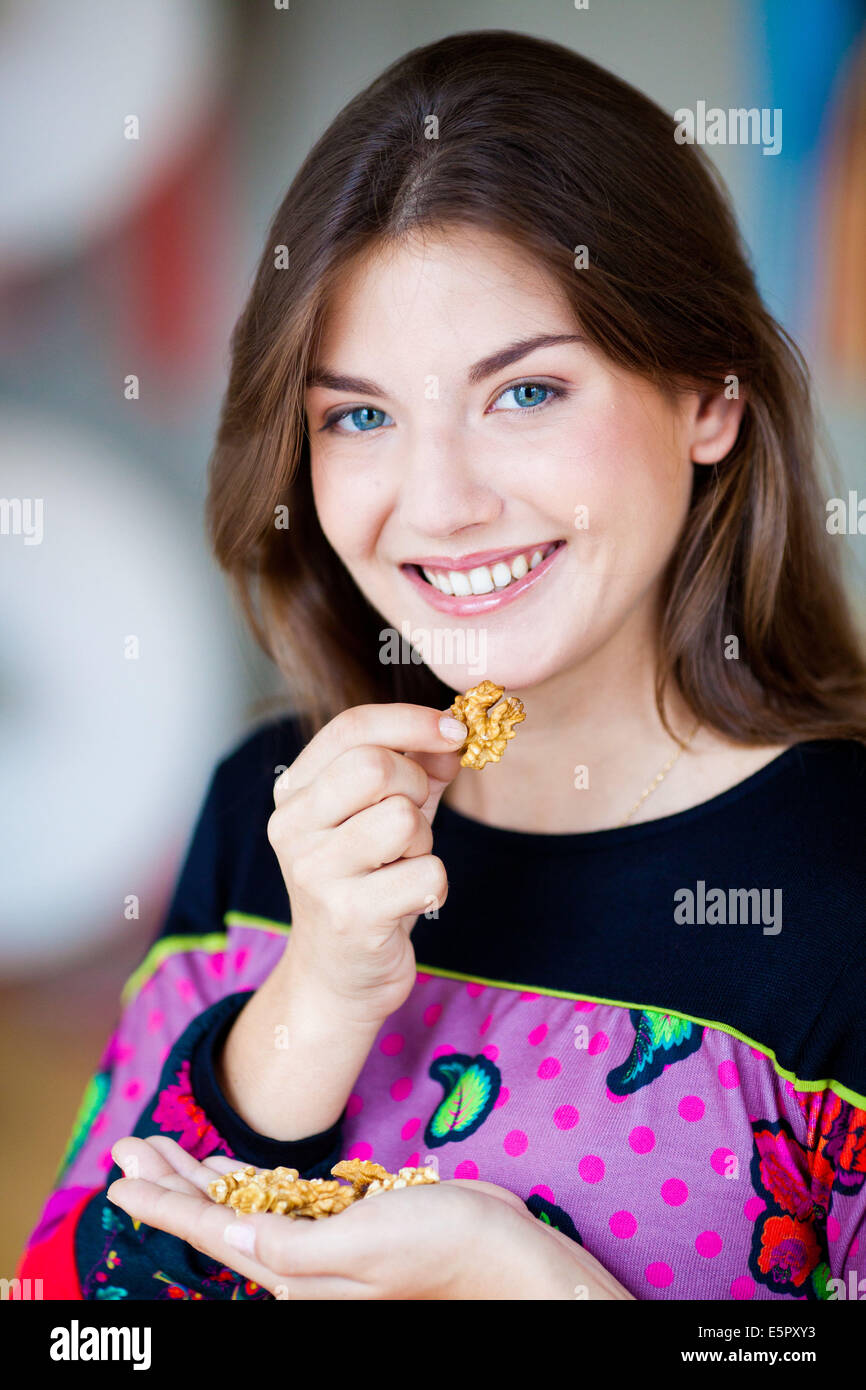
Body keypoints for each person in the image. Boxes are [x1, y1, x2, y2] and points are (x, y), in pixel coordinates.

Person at [19, 30, 866, 1301]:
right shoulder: (271, 816)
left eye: (523, 393)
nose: (440, 502)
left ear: (708, 395)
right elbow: (72, 1328)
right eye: (358, 416)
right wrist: (310, 1002)